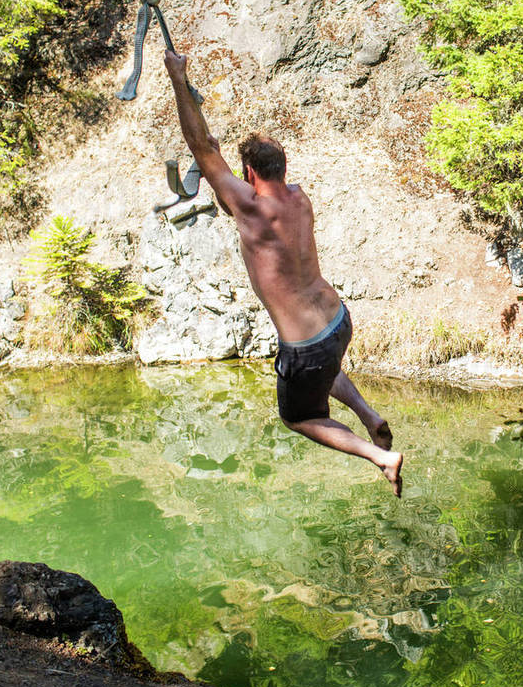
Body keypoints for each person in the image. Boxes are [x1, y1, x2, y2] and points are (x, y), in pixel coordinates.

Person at [163, 49, 403, 497]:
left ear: (249, 173)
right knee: (324, 367)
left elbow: (201, 149)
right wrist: (220, 159)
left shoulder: (250, 206)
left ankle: (380, 456)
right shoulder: (298, 197)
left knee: (299, 416)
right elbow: (224, 173)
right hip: (338, 320)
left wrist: (178, 78)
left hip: (305, 344)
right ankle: (370, 417)